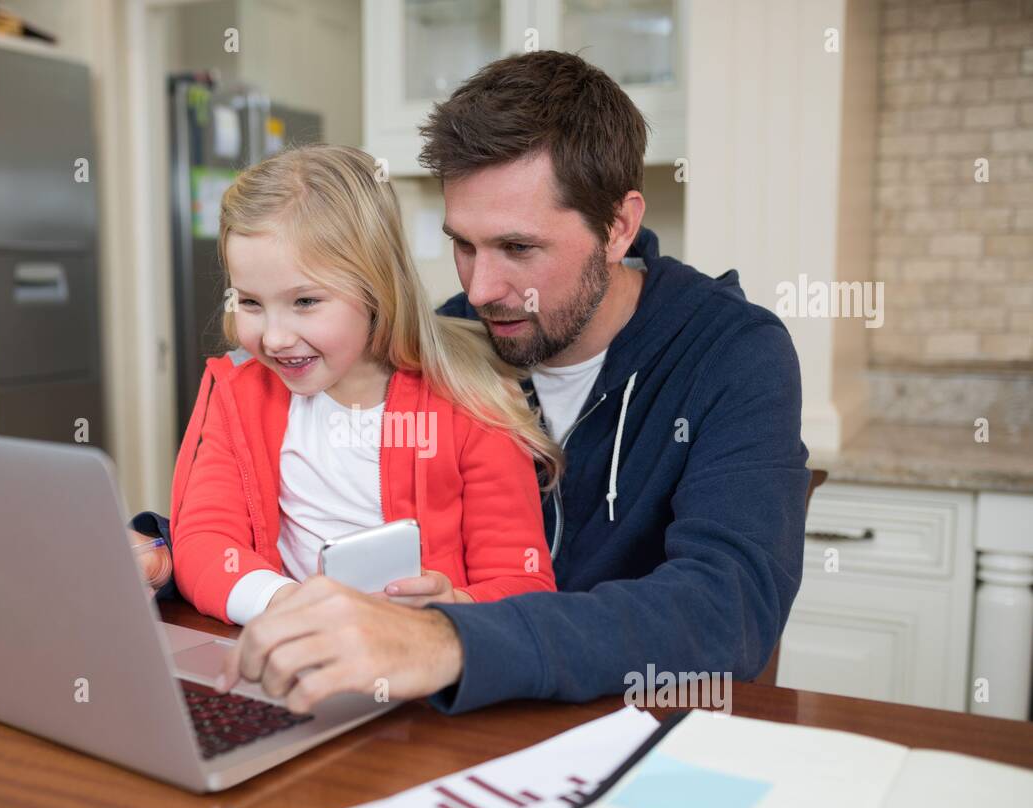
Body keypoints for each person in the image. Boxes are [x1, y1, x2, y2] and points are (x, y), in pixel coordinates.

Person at [134, 51, 810, 716]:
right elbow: (318, 495)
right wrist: (171, 551)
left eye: (518, 248)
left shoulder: (732, 353)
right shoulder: (457, 338)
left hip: (624, 730)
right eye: (463, 244)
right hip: (453, 724)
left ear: (619, 226)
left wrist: (452, 637)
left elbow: (730, 608)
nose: (480, 291)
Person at [135, 143, 559, 633]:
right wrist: (287, 605)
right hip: (291, 656)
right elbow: (205, 541)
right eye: (250, 302)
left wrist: (456, 607)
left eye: (306, 301)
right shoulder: (237, 397)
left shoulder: (471, 407)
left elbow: (522, 583)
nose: (274, 337)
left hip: (422, 678)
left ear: (377, 289)